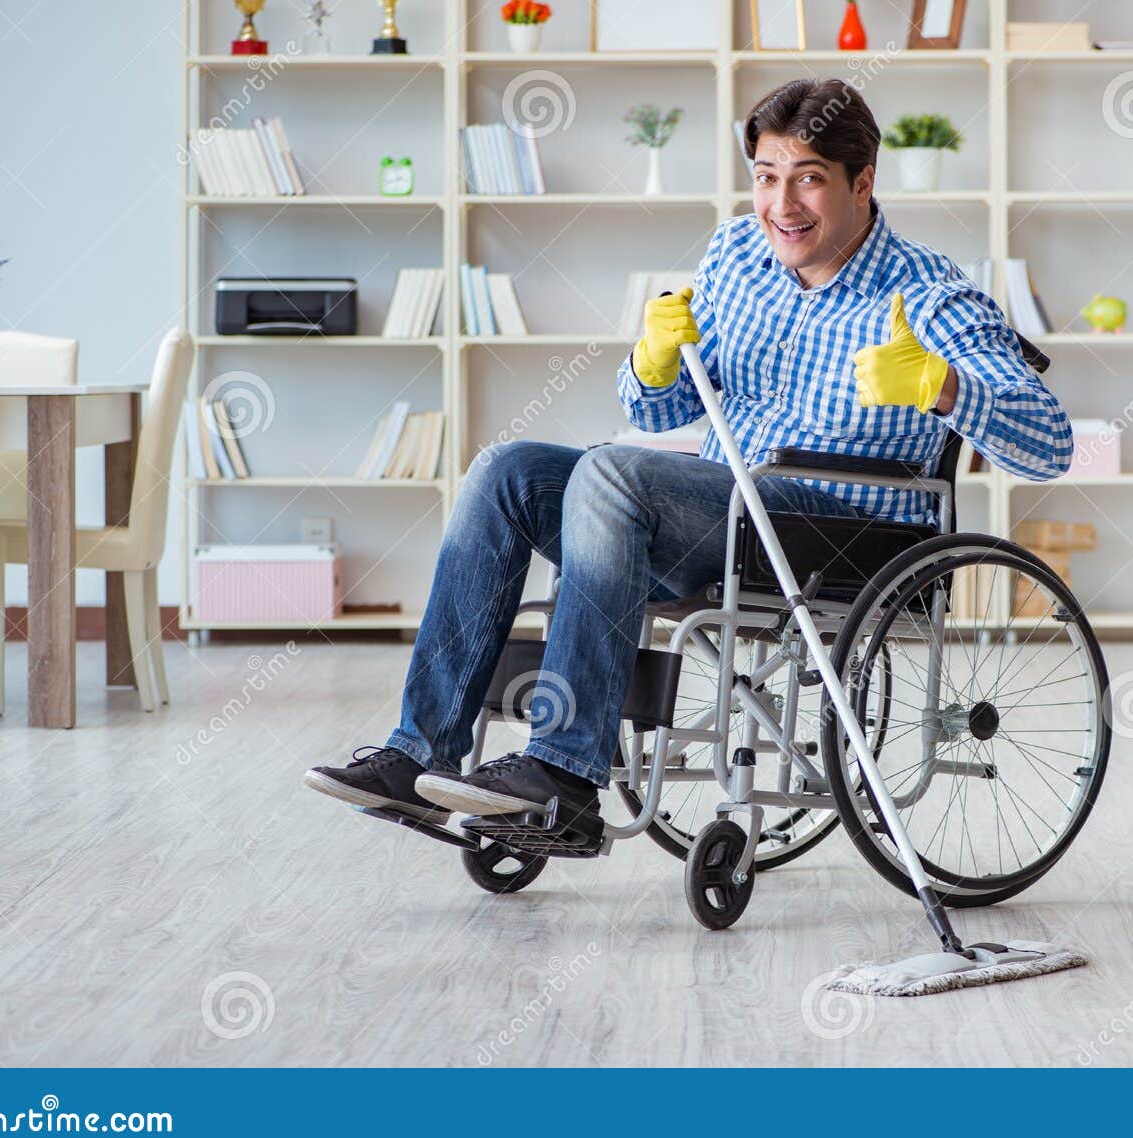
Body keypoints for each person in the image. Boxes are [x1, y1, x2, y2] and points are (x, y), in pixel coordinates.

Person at [303, 78, 1073, 846]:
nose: (782, 205)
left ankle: (564, 773)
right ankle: (417, 754)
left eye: (807, 178)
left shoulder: (931, 296)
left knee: (613, 472)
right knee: (507, 470)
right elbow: (655, 412)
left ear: (862, 182)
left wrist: (941, 386)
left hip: (840, 535)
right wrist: (653, 361)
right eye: (767, 177)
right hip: (721, 517)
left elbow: (1049, 444)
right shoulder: (738, 253)